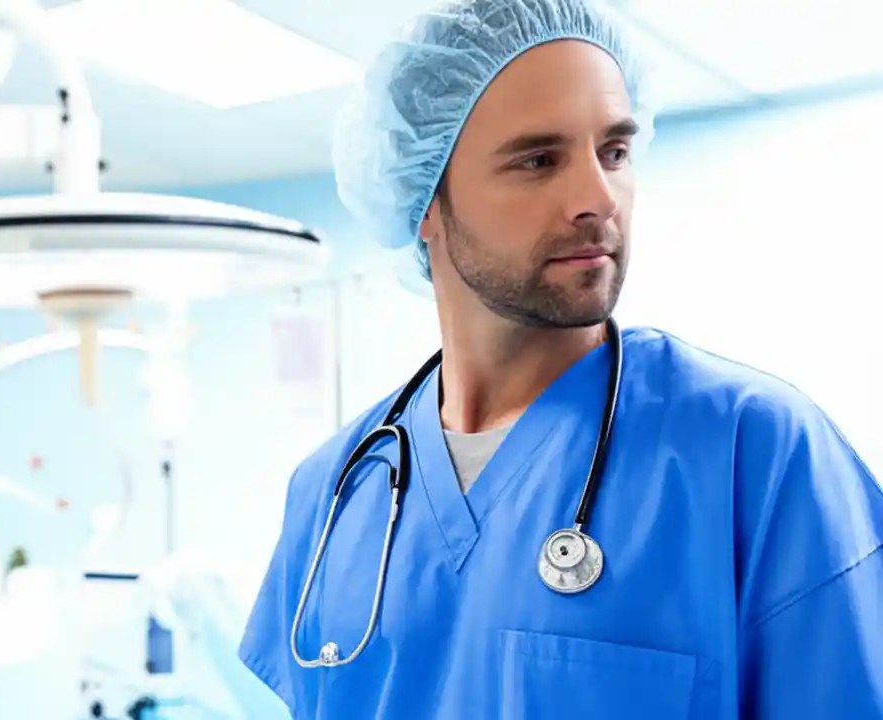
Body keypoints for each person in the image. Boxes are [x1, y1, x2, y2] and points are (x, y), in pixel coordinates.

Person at [237, 0, 883, 718]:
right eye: (539, 160)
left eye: (614, 152)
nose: (598, 198)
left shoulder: (753, 449)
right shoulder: (335, 488)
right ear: (425, 200)